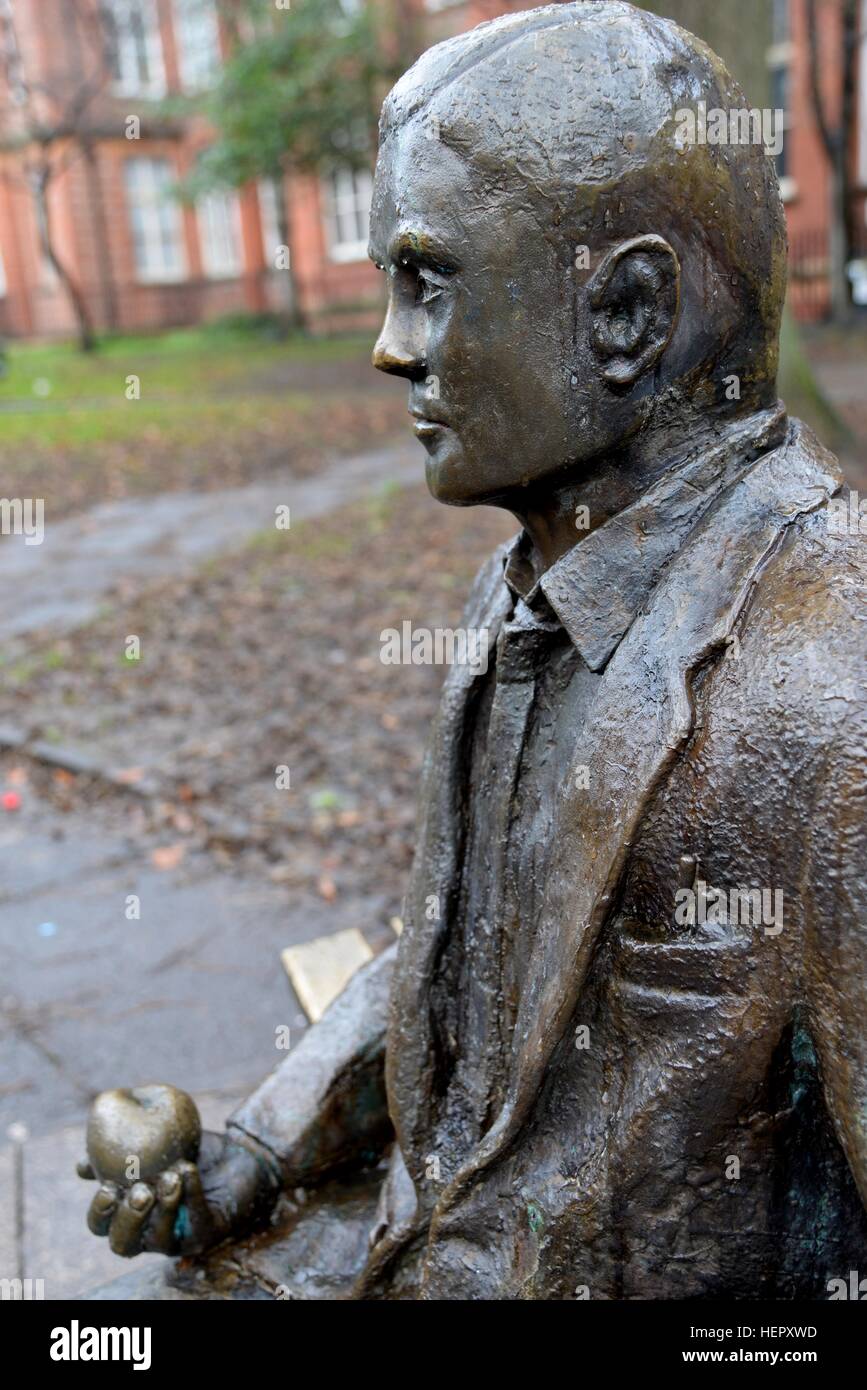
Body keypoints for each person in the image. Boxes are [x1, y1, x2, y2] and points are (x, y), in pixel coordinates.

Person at [82, 1, 867, 1299]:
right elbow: (448, 952)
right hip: (407, 1242)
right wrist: (257, 1148)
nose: (389, 346)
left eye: (429, 279)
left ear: (624, 312)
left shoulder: (831, 682)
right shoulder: (530, 578)